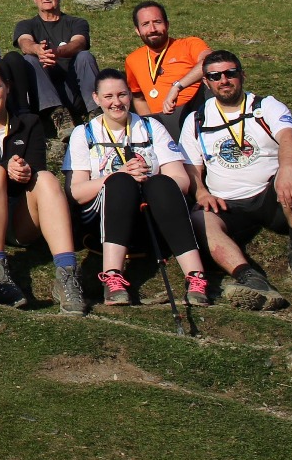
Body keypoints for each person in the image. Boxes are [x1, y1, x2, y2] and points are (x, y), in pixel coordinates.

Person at [182, 50, 292, 311]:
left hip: (273, 194)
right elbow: (191, 166)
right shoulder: (196, 119)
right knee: (199, 217)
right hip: (227, 203)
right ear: (206, 82)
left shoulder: (265, 105)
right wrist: (200, 192)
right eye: (215, 75)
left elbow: (290, 138)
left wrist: (287, 169)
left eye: (230, 73)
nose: (224, 80)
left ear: (242, 75)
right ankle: (248, 277)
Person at [63, 70, 209, 306]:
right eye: (108, 96)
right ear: (96, 98)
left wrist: (149, 178)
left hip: (150, 212)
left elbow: (180, 180)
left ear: (130, 95)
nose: (116, 102)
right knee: (120, 183)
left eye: (122, 95)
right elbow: (76, 192)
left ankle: (196, 277)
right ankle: (112, 277)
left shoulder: (151, 127)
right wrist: (119, 175)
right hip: (103, 215)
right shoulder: (84, 133)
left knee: (162, 182)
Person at [0, 60, 84, 314]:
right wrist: (5, 167)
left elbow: (35, 167)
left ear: (7, 88)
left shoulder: (30, 122)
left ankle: (67, 275)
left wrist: (23, 171)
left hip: (19, 216)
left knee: (45, 178)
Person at [5, 0, 100, 127]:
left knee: (84, 56)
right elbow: (24, 42)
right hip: (43, 94)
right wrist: (37, 49)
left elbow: (79, 42)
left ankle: (97, 111)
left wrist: (57, 52)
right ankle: (58, 116)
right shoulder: (25, 25)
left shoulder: (77, 23)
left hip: (73, 89)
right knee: (29, 59)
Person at [124, 0, 211, 140]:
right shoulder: (132, 60)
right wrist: (148, 125)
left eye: (157, 22)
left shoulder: (188, 44)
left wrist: (177, 87)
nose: (152, 29)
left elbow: (211, 62)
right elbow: (138, 97)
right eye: (145, 24)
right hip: (162, 123)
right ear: (137, 30)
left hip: (194, 113)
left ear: (167, 24)